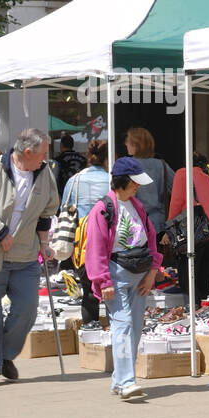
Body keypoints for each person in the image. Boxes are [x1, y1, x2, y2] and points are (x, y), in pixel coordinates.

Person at [0, 129, 62, 389]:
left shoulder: (43, 173)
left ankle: (5, 356)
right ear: (27, 153)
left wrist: (44, 243)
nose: (46, 158)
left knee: (27, 309)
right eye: (43, 153)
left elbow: (48, 210)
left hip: (26, 256)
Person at [84, 158, 164, 401]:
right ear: (123, 182)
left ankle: (120, 380)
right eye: (134, 182)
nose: (138, 187)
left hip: (140, 273)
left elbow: (150, 238)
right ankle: (128, 381)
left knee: (136, 327)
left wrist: (152, 271)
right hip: (116, 274)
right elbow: (95, 247)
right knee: (124, 325)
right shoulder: (103, 208)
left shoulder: (136, 205)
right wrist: (103, 281)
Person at [168, 153, 209, 307]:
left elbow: (176, 204)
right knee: (205, 283)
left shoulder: (182, 174)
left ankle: (195, 316)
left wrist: (170, 229)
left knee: (188, 282)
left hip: (191, 237)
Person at [61, 140, 111, 324]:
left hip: (82, 245)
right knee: (112, 295)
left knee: (88, 293)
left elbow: (64, 210)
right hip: (109, 245)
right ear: (108, 158)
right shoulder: (113, 180)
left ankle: (90, 338)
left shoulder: (74, 181)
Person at [123, 126, 175, 237]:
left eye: (128, 141)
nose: (125, 143)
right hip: (159, 226)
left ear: (136, 144)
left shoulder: (127, 166)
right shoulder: (162, 165)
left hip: (134, 225)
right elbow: (179, 191)